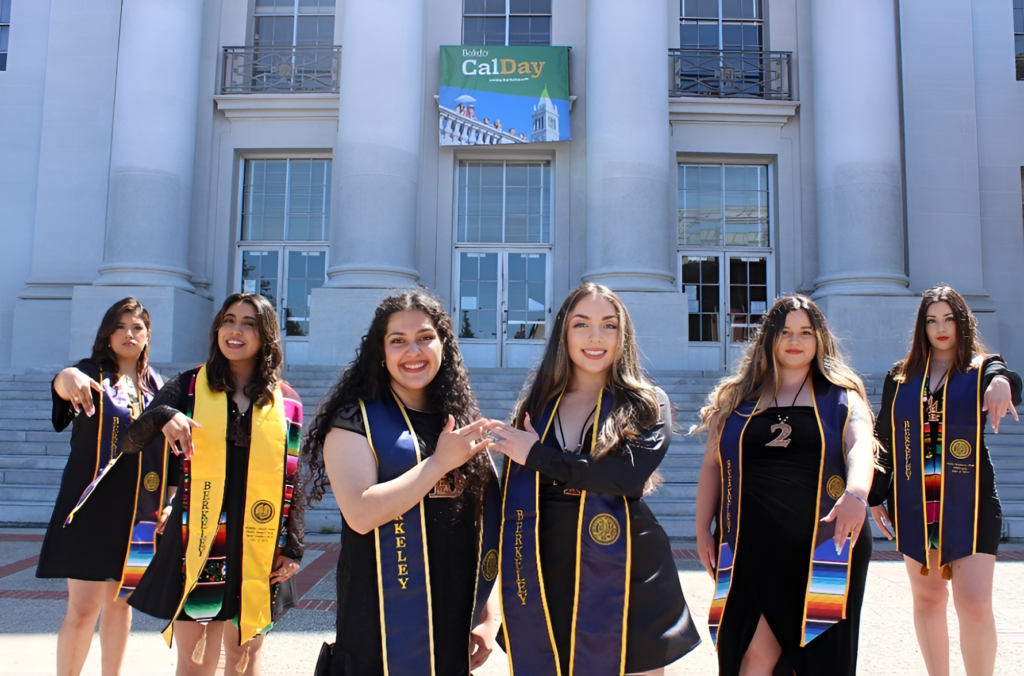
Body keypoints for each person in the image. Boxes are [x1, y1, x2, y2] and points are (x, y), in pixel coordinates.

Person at [483, 282, 701, 676]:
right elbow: (511, 496)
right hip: (546, 567)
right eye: (581, 324)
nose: (595, 337)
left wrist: (536, 455)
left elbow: (621, 478)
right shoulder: (537, 407)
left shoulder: (647, 403)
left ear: (624, 335)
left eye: (608, 325)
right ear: (563, 333)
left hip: (628, 565)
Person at [303, 289, 501, 676]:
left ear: (444, 345)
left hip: (453, 614)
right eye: (398, 341)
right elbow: (360, 512)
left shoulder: (456, 418)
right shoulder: (354, 419)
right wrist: (438, 463)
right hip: (379, 620)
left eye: (425, 337)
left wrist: (488, 613)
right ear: (381, 351)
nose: (413, 350)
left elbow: (484, 522)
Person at [123, 293, 305, 676]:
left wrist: (293, 547)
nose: (235, 330)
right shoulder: (189, 386)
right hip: (199, 535)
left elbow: (293, 477)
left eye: (248, 323)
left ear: (266, 336)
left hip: (259, 534)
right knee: (196, 659)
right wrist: (164, 415)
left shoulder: (286, 401)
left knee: (245, 656)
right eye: (228, 320)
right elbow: (131, 441)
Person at [693, 294, 876, 675]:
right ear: (769, 339)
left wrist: (857, 492)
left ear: (820, 338)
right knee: (749, 654)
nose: (795, 340)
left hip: (821, 545)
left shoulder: (842, 396)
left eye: (806, 332)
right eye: (786, 332)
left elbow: (860, 443)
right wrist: (702, 530)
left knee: (812, 658)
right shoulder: (738, 399)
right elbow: (713, 464)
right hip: (750, 546)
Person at [868, 284, 1020, 676]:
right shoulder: (900, 378)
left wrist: (1002, 382)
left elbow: (1005, 379)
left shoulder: (980, 368)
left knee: (973, 603)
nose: (940, 328)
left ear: (962, 322)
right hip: (916, 502)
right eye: (932, 320)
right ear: (922, 326)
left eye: (948, 319)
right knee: (929, 599)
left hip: (970, 503)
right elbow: (883, 438)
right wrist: (874, 496)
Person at [37, 297, 172, 676]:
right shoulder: (89, 372)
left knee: (120, 604)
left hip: (139, 512)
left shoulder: (158, 387)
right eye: (120, 326)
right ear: (106, 334)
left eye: (137, 328)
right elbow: (63, 386)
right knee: (82, 609)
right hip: (90, 506)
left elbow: (174, 454)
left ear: (148, 336)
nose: (129, 334)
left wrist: (172, 500)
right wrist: (67, 377)